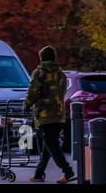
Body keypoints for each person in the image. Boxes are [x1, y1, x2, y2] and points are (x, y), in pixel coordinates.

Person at [25, 46, 74, 183]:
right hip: (59, 114)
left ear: (41, 58)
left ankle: (68, 171)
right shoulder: (61, 74)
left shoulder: (39, 72)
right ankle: (39, 173)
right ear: (54, 58)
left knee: (51, 143)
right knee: (49, 144)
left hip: (45, 114)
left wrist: (27, 104)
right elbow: (63, 92)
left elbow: (33, 92)